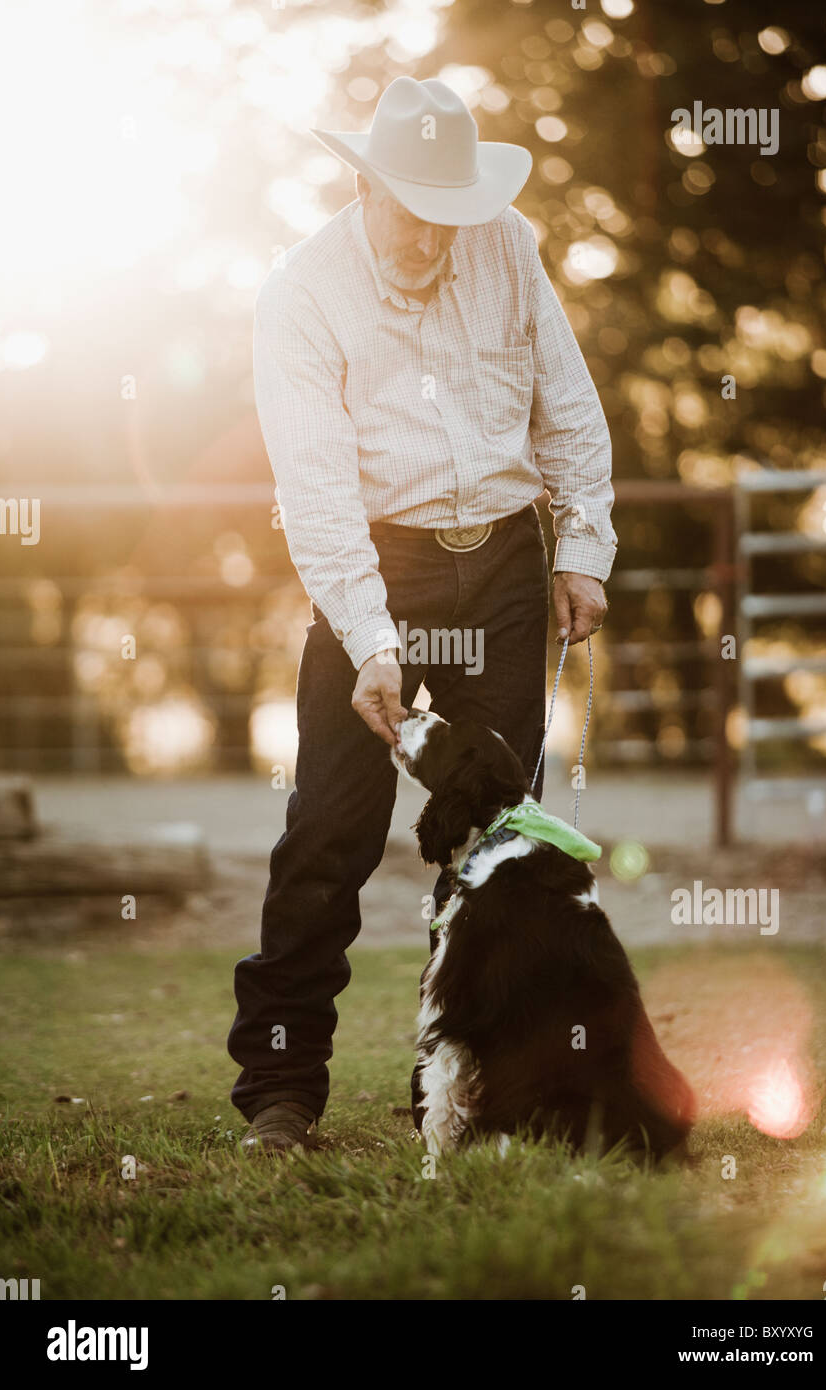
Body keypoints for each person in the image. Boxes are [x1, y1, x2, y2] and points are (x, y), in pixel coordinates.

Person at [228, 76, 616, 1152]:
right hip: (371, 560)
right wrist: (368, 637)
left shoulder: (507, 246)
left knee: (500, 838)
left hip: (500, 559)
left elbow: (569, 412)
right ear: (363, 186)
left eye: (450, 215)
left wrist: (580, 549)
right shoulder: (299, 291)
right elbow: (313, 490)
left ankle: (481, 1084)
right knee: (330, 832)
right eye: (410, 212)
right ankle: (281, 1086)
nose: (434, 238)